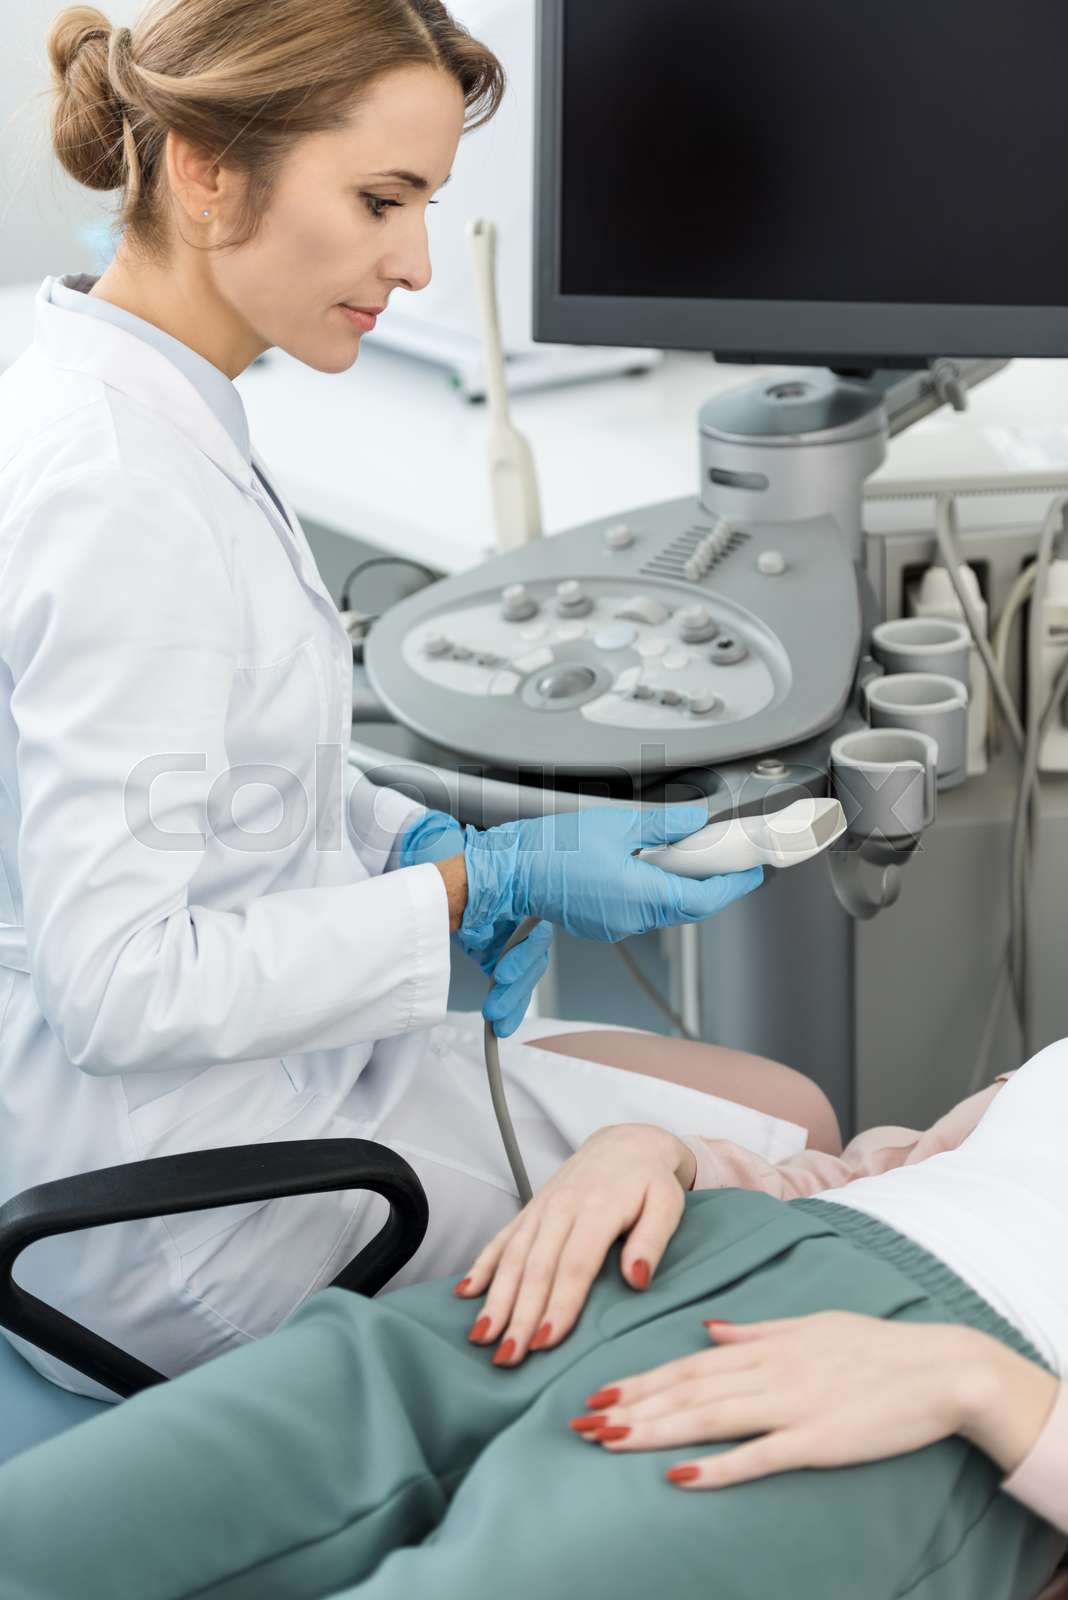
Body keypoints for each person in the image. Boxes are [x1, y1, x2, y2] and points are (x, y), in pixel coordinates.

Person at [0, 0, 838, 1403]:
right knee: (787, 1208)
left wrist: (406, 842)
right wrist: (463, 893)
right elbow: (125, 988)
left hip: (269, 1086)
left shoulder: (140, 396)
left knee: (788, 1110)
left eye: (428, 203)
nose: (418, 260)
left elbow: (223, 771)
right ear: (206, 166)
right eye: (383, 200)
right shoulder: (118, 494)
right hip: (192, 1212)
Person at [2, 1042, 1066, 1600]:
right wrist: (655, 1151)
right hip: (654, 1266)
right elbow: (889, 1171)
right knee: (51, 1532)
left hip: (898, 1412)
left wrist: (982, 1386)